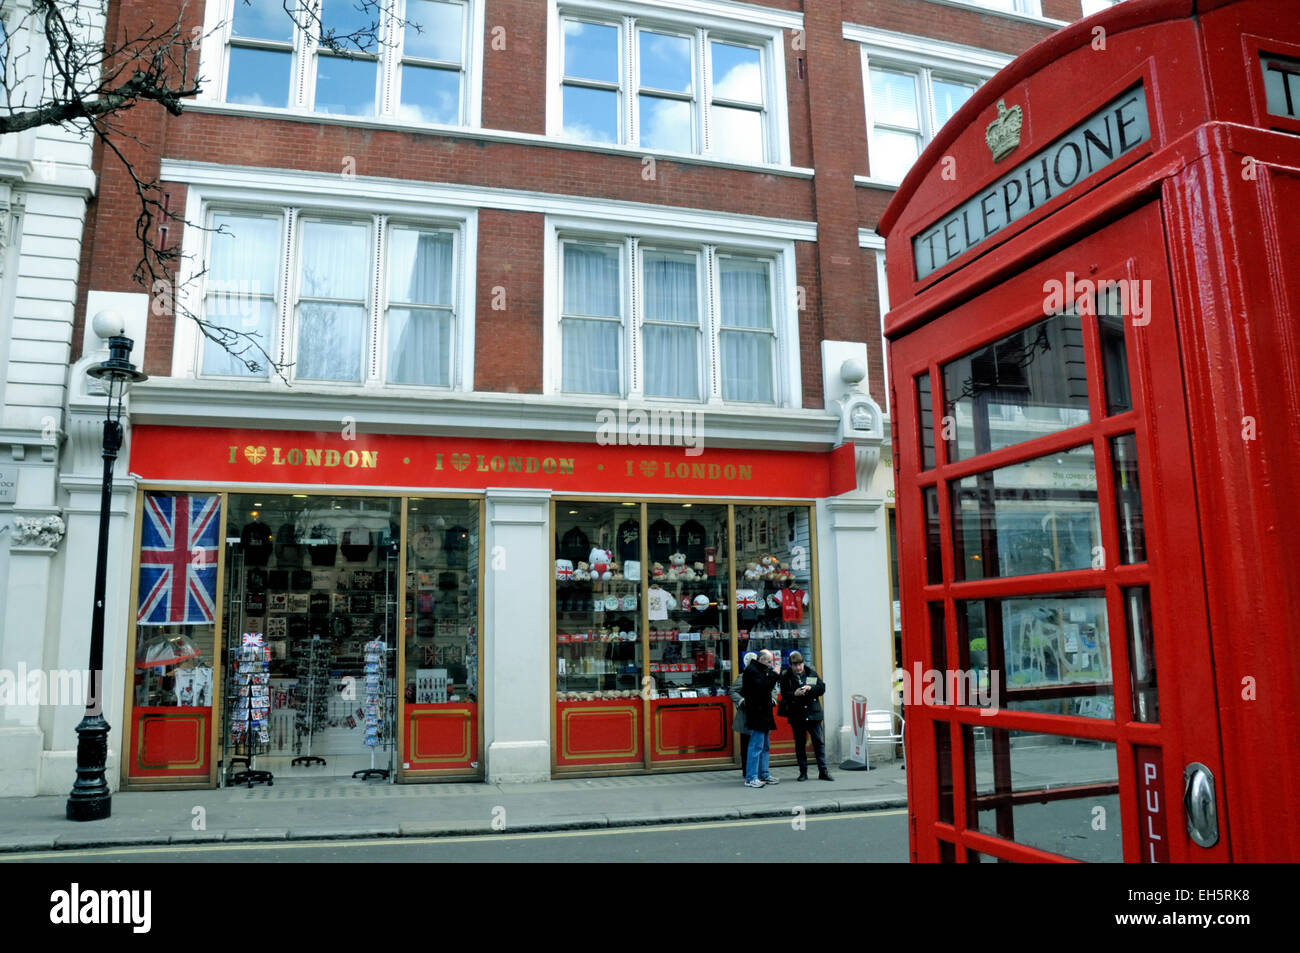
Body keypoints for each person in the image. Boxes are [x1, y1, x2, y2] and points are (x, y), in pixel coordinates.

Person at [779, 651, 832, 781]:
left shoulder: (810, 673)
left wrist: (810, 688)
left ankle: (823, 771)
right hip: (797, 715)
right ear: (791, 665)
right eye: (795, 665)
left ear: (803, 663)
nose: (798, 668)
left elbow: (822, 688)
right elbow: (784, 694)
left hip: (813, 714)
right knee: (800, 744)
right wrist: (794, 694)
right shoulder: (786, 677)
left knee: (818, 743)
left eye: (800, 664)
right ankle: (803, 772)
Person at [741, 649, 781, 788]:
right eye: (769, 661)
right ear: (762, 659)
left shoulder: (760, 670)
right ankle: (751, 777)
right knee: (756, 746)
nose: (771, 664)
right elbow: (764, 687)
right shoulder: (752, 671)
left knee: (764, 746)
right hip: (757, 714)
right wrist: (774, 674)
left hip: (764, 713)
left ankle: (764, 774)